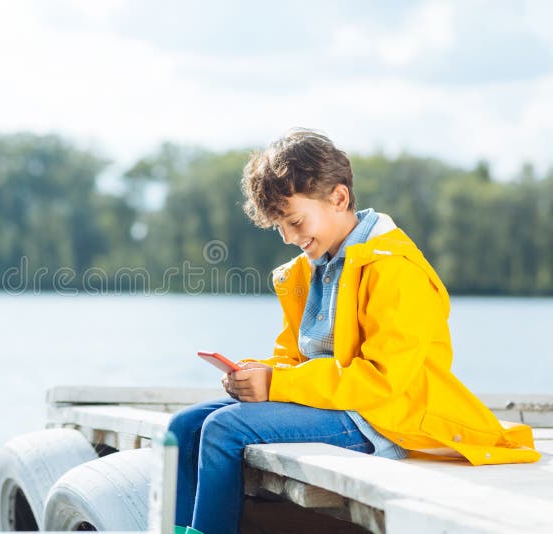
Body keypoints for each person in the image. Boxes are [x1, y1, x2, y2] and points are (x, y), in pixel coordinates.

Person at [167, 129, 540, 534]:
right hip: (326, 402)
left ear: (339, 198)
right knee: (183, 428)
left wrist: (277, 383)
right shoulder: (310, 269)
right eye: (280, 227)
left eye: (295, 221)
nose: (290, 237)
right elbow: (297, 357)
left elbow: (383, 381)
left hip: (380, 416)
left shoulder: (394, 268)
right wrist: (259, 373)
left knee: (225, 429)